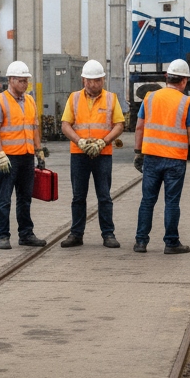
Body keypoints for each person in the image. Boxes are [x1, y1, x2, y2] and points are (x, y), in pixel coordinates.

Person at [133, 59, 190, 254]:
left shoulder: (150, 98)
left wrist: (138, 153)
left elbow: (139, 127)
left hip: (152, 157)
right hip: (175, 160)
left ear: (166, 78)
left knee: (147, 200)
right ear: (184, 81)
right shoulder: (186, 102)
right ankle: (171, 243)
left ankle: (140, 242)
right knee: (171, 202)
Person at [60, 60, 125, 248]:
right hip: (79, 154)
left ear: (103, 80)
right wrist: (79, 141)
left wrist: (103, 142)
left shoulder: (111, 98)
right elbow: (65, 125)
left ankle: (108, 234)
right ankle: (76, 234)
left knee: (104, 195)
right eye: (89, 80)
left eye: (97, 80)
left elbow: (119, 125)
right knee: (78, 196)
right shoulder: (73, 98)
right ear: (83, 80)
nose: (93, 84)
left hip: (102, 154)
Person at [0, 60, 48, 250]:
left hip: (26, 156)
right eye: (21, 81)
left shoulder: (30, 100)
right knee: (4, 197)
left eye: (26, 81)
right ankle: (3, 235)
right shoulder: (0, 101)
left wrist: (38, 150)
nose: (24, 84)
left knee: (25, 198)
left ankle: (26, 234)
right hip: (8, 158)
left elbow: (34, 127)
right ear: (11, 80)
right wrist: (0, 154)